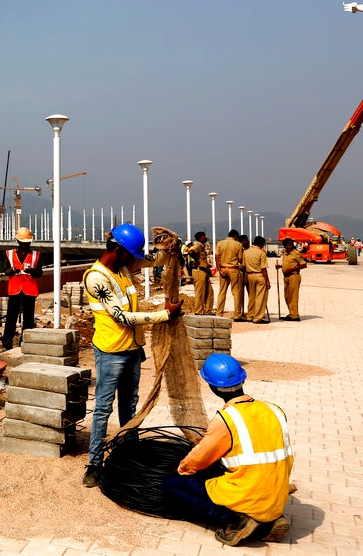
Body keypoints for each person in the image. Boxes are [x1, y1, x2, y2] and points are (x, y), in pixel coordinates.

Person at [82, 223, 182, 488]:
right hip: (111, 351)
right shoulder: (97, 278)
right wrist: (165, 314)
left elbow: (150, 260)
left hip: (132, 350)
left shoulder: (124, 267)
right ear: (118, 251)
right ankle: (94, 463)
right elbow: (121, 316)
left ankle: (128, 454)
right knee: (103, 409)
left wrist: (169, 250)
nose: (136, 259)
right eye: (132, 254)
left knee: (129, 405)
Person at [165, 353, 293, 546]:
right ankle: (269, 521)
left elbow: (198, 460)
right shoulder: (274, 410)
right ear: (243, 379)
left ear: (213, 387)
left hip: (248, 495)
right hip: (275, 497)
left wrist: (181, 469)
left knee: (171, 485)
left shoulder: (226, 419)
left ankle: (235, 520)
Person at [2, 227, 43, 349]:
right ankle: (7, 343)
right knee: (11, 318)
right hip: (15, 290)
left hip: (29, 290)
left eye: (27, 243)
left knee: (28, 319)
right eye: (23, 243)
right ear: (18, 242)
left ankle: (25, 342)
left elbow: (39, 273)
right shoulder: (9, 254)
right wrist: (13, 270)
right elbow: (5, 271)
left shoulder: (36, 255)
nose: (25, 245)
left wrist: (32, 271)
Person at [214, 229, 244, 321]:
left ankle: (219, 313)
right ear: (235, 236)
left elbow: (216, 257)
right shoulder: (238, 244)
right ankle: (237, 314)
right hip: (233, 269)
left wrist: (219, 269)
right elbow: (240, 259)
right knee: (236, 292)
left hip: (223, 268)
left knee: (222, 292)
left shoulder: (220, 243)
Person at [243, 236, 270, 324]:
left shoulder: (246, 252)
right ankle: (258, 317)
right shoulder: (261, 253)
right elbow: (263, 269)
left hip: (250, 275)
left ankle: (250, 315)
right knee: (260, 297)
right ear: (261, 243)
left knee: (252, 297)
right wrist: (267, 281)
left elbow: (243, 266)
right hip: (259, 275)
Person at [186, 231, 214, 315]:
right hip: (199, 271)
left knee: (209, 292)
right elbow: (190, 251)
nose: (206, 237)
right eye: (204, 236)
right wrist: (196, 260)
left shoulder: (201, 246)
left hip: (204, 271)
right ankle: (199, 310)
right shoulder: (197, 245)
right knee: (200, 292)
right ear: (200, 237)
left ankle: (208, 310)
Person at [280, 237, 307, 321]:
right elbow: (289, 263)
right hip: (286, 277)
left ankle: (295, 315)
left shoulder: (296, 253)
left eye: (290, 245)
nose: (289, 247)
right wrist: (280, 266)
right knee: (287, 296)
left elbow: (304, 265)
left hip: (293, 276)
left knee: (293, 296)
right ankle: (291, 313)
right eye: (287, 245)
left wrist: (291, 269)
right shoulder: (285, 253)